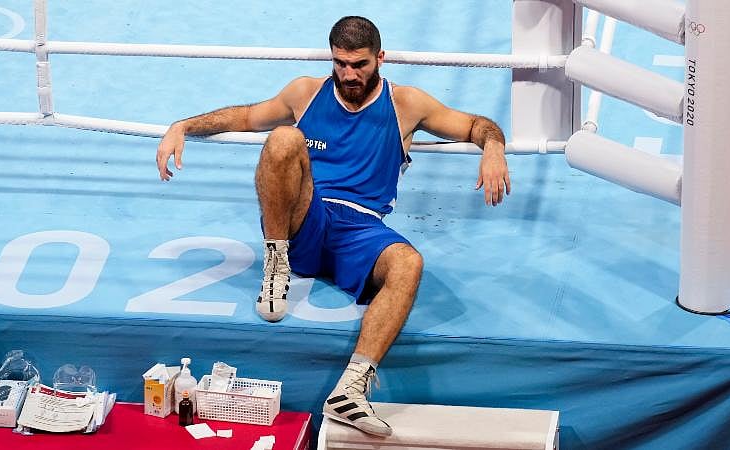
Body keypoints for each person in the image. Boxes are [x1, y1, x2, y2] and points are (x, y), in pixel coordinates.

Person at [156, 16, 510, 437]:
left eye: (358, 64)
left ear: (380, 58)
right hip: (306, 215)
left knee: (409, 263)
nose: (348, 74)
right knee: (285, 138)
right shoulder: (306, 93)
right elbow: (249, 116)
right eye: (340, 63)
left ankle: (350, 391)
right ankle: (276, 262)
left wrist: (493, 147)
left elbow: (474, 125)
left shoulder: (406, 104)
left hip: (361, 229)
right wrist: (183, 125)